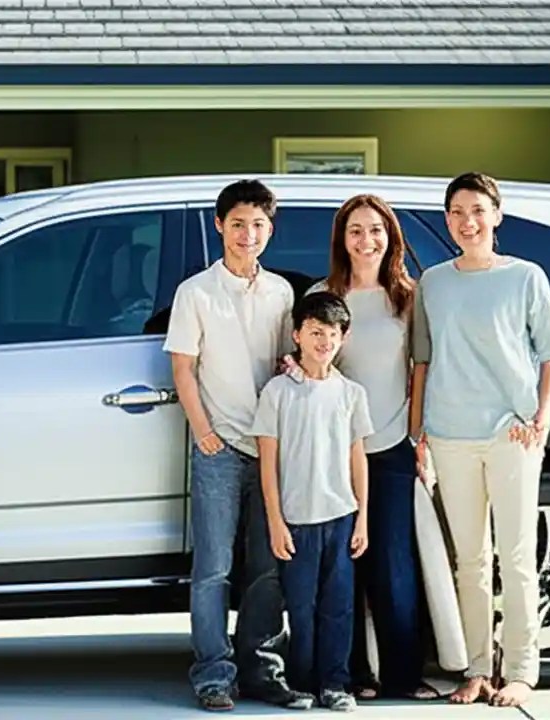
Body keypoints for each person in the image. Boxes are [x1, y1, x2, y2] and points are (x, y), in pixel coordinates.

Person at [410, 172, 550, 708]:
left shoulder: (525, 277)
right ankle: (476, 668)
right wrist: (418, 430)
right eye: (456, 212)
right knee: (468, 560)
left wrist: (540, 417)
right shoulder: (434, 282)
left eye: (477, 210)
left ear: (496, 215)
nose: (466, 221)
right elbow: (422, 359)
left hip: (510, 434)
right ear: (447, 220)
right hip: (450, 435)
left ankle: (519, 669)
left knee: (516, 557)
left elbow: (547, 355)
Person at [164, 179, 313, 712]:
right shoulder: (196, 293)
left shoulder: (280, 293)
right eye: (237, 224)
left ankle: (261, 670)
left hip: (271, 448)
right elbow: (183, 367)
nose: (247, 235)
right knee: (212, 569)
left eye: (257, 225)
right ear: (219, 226)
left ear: (270, 230)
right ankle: (212, 674)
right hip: (219, 447)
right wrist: (204, 433)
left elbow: (281, 362)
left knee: (268, 567)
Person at [306, 195, 439, 701]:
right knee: (344, 566)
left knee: (393, 563)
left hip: (389, 445)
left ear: (391, 237)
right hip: (332, 449)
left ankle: (404, 675)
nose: (367, 241)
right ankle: (353, 673)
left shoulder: (408, 296)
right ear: (342, 238)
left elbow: (420, 367)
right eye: (356, 230)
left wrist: (416, 433)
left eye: (376, 230)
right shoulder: (323, 294)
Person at [252, 291, 372, 713]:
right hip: (297, 520)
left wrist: (362, 520)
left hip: (340, 517)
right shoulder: (277, 392)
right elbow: (268, 463)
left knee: (339, 606)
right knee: (301, 608)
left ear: (344, 337)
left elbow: (358, 458)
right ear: (297, 334)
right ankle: (301, 682)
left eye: (333, 333)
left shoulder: (351, 393)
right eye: (315, 332)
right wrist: (276, 520)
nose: (324, 341)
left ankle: (335, 683)